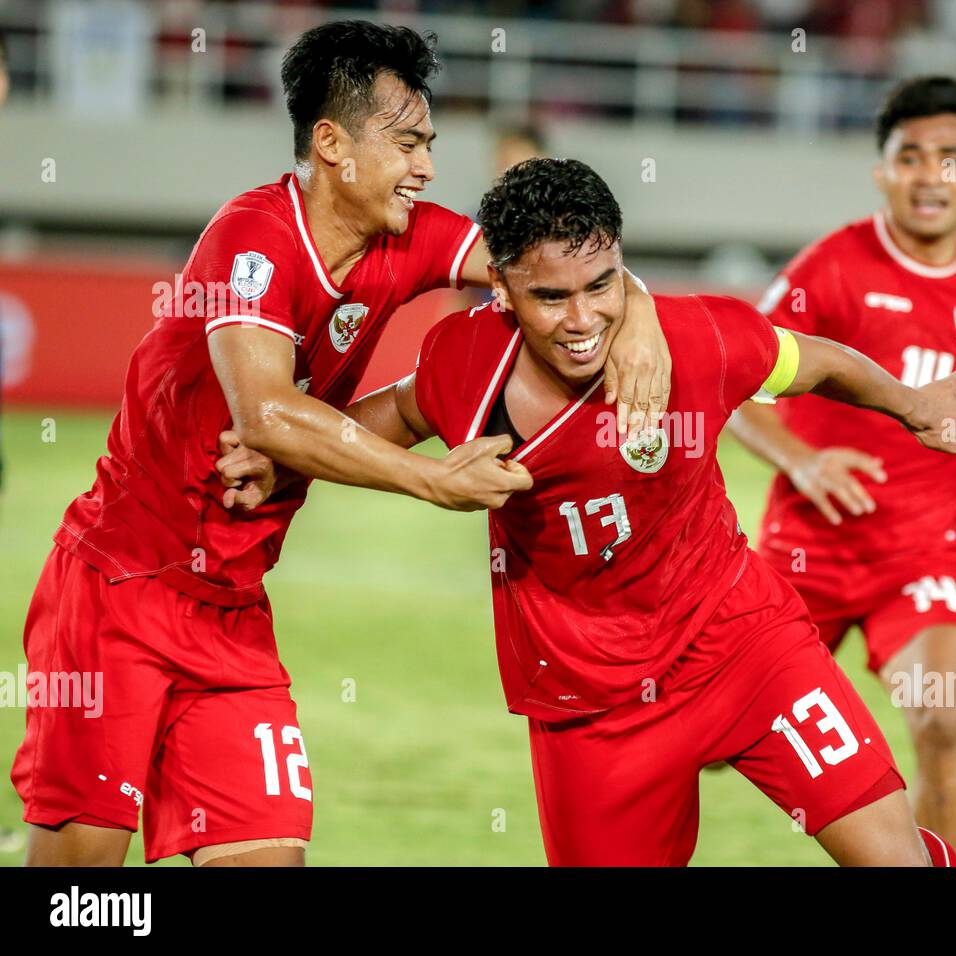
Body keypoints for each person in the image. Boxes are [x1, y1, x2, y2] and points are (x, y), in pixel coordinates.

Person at [220, 158, 956, 865]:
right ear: (500, 288)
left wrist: (913, 405)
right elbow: (394, 413)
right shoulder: (464, 361)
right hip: (586, 705)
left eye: (603, 286)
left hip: (738, 643)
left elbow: (817, 361)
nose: (582, 319)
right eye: (550, 297)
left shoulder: (701, 337)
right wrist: (286, 452)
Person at [11, 22, 668, 868]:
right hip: (117, 591)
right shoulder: (250, 238)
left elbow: (561, 262)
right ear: (332, 144)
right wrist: (429, 480)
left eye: (428, 142)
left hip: (233, 612)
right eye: (406, 143)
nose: (427, 166)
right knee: (82, 881)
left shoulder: (412, 238)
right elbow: (265, 414)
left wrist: (641, 313)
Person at [729, 76, 956, 864]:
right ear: (882, 172)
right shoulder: (830, 270)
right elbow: (737, 384)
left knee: (942, 718)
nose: (929, 174)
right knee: (712, 732)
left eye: (951, 158)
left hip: (924, 552)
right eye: (909, 156)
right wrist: (801, 460)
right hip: (808, 546)